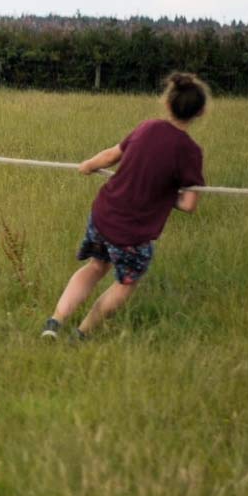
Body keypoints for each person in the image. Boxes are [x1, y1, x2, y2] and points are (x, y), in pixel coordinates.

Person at [43, 72, 210, 340]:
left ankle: (54, 324)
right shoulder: (190, 152)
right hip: (134, 234)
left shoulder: (147, 128)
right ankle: (81, 334)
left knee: (96, 267)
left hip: (104, 216)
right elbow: (189, 204)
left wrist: (87, 165)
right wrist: (168, 194)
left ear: (167, 103)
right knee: (124, 284)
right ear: (200, 112)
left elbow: (110, 156)